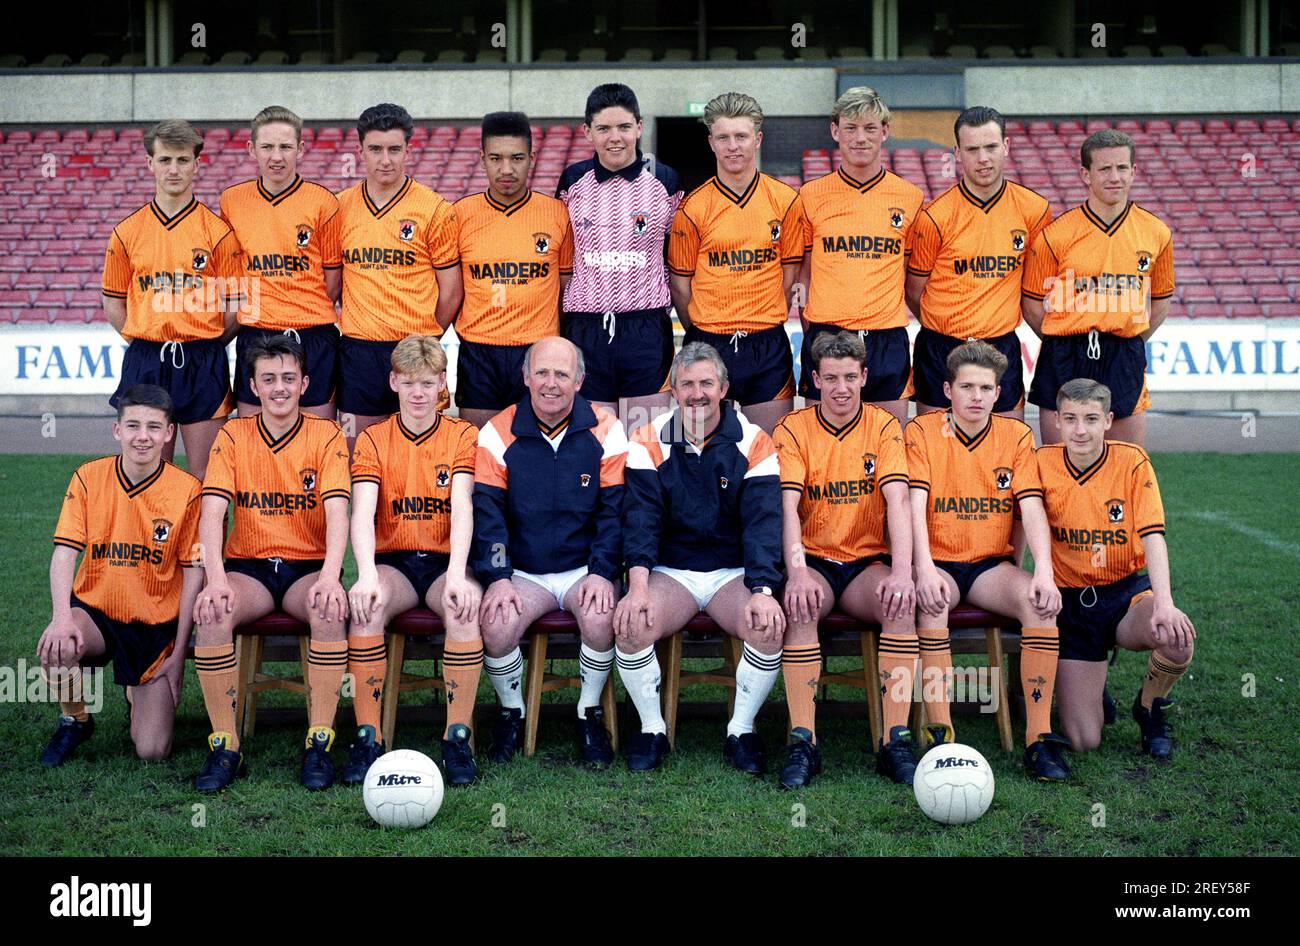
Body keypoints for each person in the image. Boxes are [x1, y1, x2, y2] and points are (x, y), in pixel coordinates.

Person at [614, 342, 786, 774]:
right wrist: (636, 588)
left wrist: (763, 589)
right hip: (673, 572)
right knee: (632, 623)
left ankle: (741, 731)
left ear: (724, 387)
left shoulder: (754, 441)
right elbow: (640, 522)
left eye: (706, 383)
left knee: (766, 626)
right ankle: (653, 729)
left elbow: (763, 525)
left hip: (733, 573)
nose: (697, 393)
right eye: (686, 384)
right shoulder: (647, 439)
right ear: (672, 390)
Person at [192, 336, 351, 792]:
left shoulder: (327, 435)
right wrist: (216, 580)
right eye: (268, 379)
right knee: (214, 611)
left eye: (287, 378)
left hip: (308, 567)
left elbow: (339, 511)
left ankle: (319, 739)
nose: (279, 388)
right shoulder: (234, 434)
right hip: (250, 568)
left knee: (327, 608)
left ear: (304, 383)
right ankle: (226, 744)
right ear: (253, 386)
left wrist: (330, 576)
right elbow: (213, 512)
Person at [905, 340, 1070, 780]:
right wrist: (923, 569)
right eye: (967, 387)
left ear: (999, 394)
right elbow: (913, 506)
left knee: (1039, 604)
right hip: (939, 561)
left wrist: (1045, 574)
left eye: (985, 388)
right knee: (932, 601)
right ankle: (941, 734)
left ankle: (1039, 738)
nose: (976, 397)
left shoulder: (1016, 435)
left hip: (988, 567)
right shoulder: (922, 432)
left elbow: (1032, 508)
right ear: (947, 390)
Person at [772, 331, 918, 787]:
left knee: (901, 603)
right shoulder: (793, 428)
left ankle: (894, 739)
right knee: (800, 604)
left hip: (864, 565)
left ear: (865, 377)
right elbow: (787, 508)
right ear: (813, 379)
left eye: (850, 377)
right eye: (831, 378)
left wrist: (901, 573)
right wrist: (796, 572)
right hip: (813, 558)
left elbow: (898, 500)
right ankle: (803, 742)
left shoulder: (884, 426)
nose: (841, 388)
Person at [471, 336, 626, 767]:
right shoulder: (497, 432)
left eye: (561, 374)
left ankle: (588, 711)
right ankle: (511, 711)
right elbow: (488, 516)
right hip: (526, 571)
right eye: (542, 372)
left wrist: (601, 571)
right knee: (498, 625)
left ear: (579, 380)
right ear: (525, 377)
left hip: (583, 569)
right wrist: (499, 578)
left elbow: (616, 513)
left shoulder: (606, 427)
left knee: (599, 617)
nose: (551, 383)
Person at [38, 385, 203, 766]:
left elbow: (194, 574)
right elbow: (64, 553)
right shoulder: (88, 478)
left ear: (168, 433)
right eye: (132, 426)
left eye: (152, 427)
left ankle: (137, 690)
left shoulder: (187, 490)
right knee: (57, 647)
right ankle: (75, 718)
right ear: (117, 431)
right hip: (96, 611)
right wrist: (61, 618)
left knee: (152, 750)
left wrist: (178, 654)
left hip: (153, 622)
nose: (142, 436)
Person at [345, 335, 484, 785]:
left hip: (447, 560)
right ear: (393, 382)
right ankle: (369, 734)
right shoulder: (372, 438)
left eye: (427, 383)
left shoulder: (464, 434)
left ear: (443, 383)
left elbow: (462, 504)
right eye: (409, 383)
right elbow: (362, 511)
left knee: (464, 606)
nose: (419, 393)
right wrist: (365, 575)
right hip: (396, 562)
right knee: (365, 605)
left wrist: (460, 574)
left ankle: (456, 736)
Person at [1039, 378, 1194, 759]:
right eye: (1071, 418)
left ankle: (1150, 706)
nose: (1080, 430)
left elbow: (1153, 534)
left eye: (1090, 419)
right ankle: (1093, 683)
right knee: (1083, 741)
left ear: (1108, 420)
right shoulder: (1040, 462)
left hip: (1124, 593)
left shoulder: (1131, 460)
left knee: (1176, 638)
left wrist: (1164, 602)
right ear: (1056, 420)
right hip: (1071, 603)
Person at [101, 119, 241, 481]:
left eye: (182, 159)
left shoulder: (218, 232)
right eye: (165, 160)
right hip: (146, 358)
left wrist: (206, 340)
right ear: (150, 163)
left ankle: (207, 542)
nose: (174, 169)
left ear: (197, 164)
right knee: (147, 472)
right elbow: (114, 304)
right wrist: (146, 340)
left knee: (207, 477)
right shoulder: (127, 232)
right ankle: (154, 541)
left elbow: (239, 305)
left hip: (202, 360)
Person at [1022, 128, 1175, 447]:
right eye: (1104, 168)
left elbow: (1160, 300)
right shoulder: (1056, 234)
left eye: (1122, 168)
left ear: (1134, 171)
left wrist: (1129, 338)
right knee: (1058, 466)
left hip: (1123, 355)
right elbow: (1032, 302)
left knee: (1123, 465)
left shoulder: (1156, 232)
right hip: (1065, 353)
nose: (1114, 176)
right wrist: (1060, 339)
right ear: (1085, 174)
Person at [786, 87, 924, 428]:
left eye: (870, 128)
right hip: (828, 335)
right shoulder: (810, 196)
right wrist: (816, 332)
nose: (860, 138)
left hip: (887, 338)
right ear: (835, 132)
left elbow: (912, 275)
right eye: (851, 128)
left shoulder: (910, 198)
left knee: (890, 445)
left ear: (885, 132)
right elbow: (802, 275)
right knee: (823, 448)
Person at [667, 92, 803, 434]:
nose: (733, 146)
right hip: (709, 342)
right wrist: (707, 327)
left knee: (771, 454)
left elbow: (789, 279)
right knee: (705, 456)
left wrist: (761, 317)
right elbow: (681, 288)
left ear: (757, 139)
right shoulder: (693, 208)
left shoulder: (786, 201)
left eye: (741, 136)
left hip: (767, 344)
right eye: (723, 137)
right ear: (711, 142)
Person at [905, 105, 1052, 421]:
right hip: (940, 348)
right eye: (972, 149)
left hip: (1001, 346)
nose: (983, 158)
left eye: (991, 147)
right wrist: (948, 325)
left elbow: (1033, 290)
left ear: (1006, 146)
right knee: (937, 452)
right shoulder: (935, 217)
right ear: (957, 153)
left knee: (1005, 453)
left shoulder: (1034, 211)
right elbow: (915, 293)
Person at [335, 103, 462, 447]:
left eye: (394, 149)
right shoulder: (339, 207)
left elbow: (451, 291)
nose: (385, 160)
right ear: (359, 150)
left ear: (409, 149)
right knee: (359, 456)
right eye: (375, 149)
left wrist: (425, 339)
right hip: (358, 351)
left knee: (421, 455)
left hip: (415, 351)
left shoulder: (435, 209)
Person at [557, 84, 683, 429]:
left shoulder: (665, 179)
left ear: (640, 127)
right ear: (587, 132)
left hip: (645, 329)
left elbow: (676, 256)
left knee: (646, 439)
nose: (615, 138)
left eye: (624, 127)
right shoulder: (572, 181)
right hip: (587, 328)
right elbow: (564, 261)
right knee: (597, 441)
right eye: (604, 128)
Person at [454, 112, 575, 428]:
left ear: (532, 158)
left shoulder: (556, 214)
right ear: (482, 159)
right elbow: (451, 290)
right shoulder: (460, 215)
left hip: (538, 352)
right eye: (496, 158)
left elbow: (566, 290)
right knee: (481, 453)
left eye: (517, 158)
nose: (506, 169)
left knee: (537, 455)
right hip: (479, 353)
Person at [220, 105, 343, 419]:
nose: (276, 156)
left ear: (300, 149)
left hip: (313, 335)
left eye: (285, 147)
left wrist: (296, 306)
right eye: (268, 147)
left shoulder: (323, 201)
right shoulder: (232, 201)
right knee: (252, 440)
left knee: (317, 440)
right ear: (252, 149)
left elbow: (331, 281)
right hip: (256, 334)